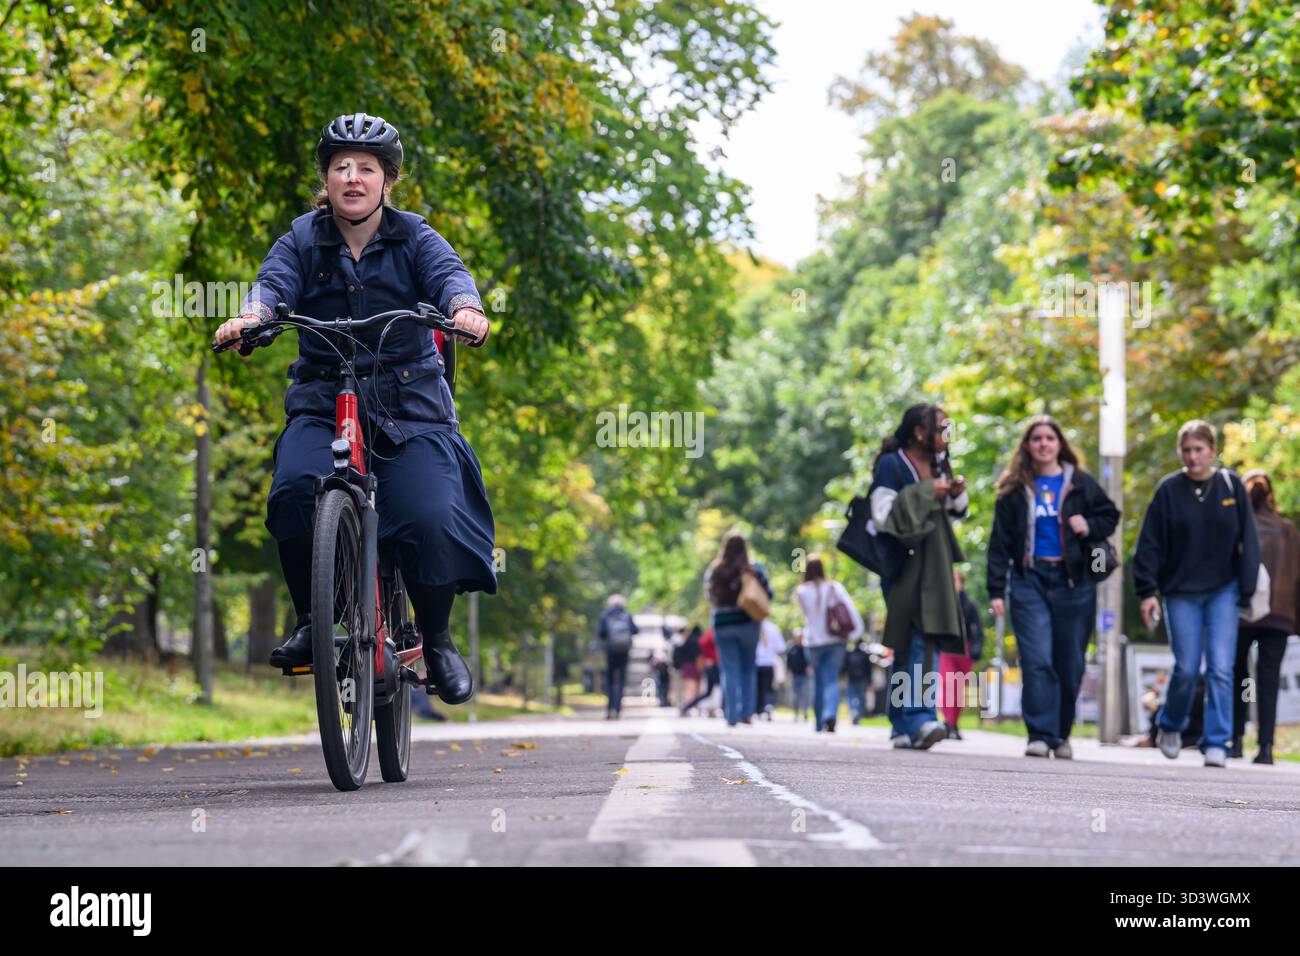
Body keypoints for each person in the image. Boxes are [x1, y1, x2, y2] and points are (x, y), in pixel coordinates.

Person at [213, 113, 494, 706]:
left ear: (387, 180)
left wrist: (465, 308)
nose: (352, 177)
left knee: (428, 512)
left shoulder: (417, 236)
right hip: (323, 398)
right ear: (327, 177)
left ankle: (438, 638)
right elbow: (272, 285)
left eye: (366, 167)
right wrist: (253, 318)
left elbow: (451, 277)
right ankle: (317, 620)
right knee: (293, 491)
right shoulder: (301, 238)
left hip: (409, 406)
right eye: (341, 166)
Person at [986, 416, 1120, 758]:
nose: (1043, 444)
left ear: (1059, 444)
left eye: (1049, 438)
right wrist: (996, 590)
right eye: (1036, 439)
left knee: (1070, 662)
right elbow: (999, 543)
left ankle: (1061, 735)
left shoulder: (1080, 484)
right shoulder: (1014, 490)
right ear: (1027, 446)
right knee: (1036, 659)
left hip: (1073, 583)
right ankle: (1040, 735)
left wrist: (1086, 524)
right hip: (1030, 581)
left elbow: (1110, 516)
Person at [1133, 420, 1260, 768]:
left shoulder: (1230, 485)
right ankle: (1170, 724)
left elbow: (1249, 540)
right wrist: (1147, 591)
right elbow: (1149, 545)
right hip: (1180, 590)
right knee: (1187, 668)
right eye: (1186, 450)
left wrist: (1246, 590)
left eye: (1198, 450)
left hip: (1224, 589)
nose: (1192, 457)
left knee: (1221, 667)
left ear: (1212, 451)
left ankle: (1217, 741)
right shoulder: (1169, 490)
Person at [869, 403, 967, 750]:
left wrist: (953, 492)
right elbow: (882, 515)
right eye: (940, 427)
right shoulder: (892, 465)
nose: (946, 434)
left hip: (934, 568)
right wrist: (929, 492)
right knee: (912, 640)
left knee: (921, 640)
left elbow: (958, 512)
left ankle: (903, 723)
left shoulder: (939, 464)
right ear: (919, 431)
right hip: (902, 567)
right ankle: (919, 718)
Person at [1232, 471, 1299, 765]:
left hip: (1242, 613)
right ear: (1271, 496)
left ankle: (1234, 741)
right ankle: (1266, 746)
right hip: (1279, 615)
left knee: (1239, 678)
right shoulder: (1288, 530)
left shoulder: (1237, 527)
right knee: (1268, 681)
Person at [704, 533, 773, 726]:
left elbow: (708, 596)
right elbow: (769, 593)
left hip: (723, 624)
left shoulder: (715, 569)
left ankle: (731, 714)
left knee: (729, 669)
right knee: (748, 667)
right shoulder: (754, 569)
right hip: (747, 623)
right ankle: (746, 713)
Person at [795, 555, 865, 732]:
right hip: (835, 641)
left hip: (813, 642)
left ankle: (819, 722)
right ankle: (830, 715)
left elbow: (806, 616)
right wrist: (856, 633)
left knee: (818, 681)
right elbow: (850, 610)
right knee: (831, 680)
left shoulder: (802, 591)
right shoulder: (835, 588)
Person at [940, 570, 985, 740]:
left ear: (961, 583)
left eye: (955, 580)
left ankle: (953, 724)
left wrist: (976, 648)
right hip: (946, 649)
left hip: (965, 651)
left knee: (959, 688)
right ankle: (948, 721)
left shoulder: (969, 605)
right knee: (948, 684)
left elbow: (977, 630)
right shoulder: (942, 604)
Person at [596, 594, 638, 719]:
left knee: (609, 680)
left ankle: (609, 708)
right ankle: (618, 708)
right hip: (624, 652)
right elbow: (635, 631)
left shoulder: (605, 615)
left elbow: (601, 634)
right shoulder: (627, 615)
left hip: (610, 651)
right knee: (621, 680)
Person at [680, 627, 721, 716]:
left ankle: (688, 706)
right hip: (711, 665)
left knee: (706, 692)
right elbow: (700, 654)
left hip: (698, 666)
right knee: (701, 690)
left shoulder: (691, 640)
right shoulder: (711, 634)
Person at [755, 618, 786, 720]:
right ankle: (767, 706)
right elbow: (780, 647)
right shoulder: (774, 628)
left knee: (758, 687)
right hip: (769, 662)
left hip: (756, 662)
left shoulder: (753, 627)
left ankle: (759, 709)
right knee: (768, 687)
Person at [842, 639, 871, 724]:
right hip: (862, 679)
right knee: (860, 697)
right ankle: (857, 713)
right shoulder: (865, 655)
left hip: (852, 679)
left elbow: (844, 667)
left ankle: (854, 712)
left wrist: (842, 675)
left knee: (851, 697)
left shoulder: (850, 654)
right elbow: (868, 670)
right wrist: (869, 681)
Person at [673, 625, 703, 709]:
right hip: (693, 665)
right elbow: (698, 655)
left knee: (688, 687)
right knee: (693, 687)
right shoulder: (696, 641)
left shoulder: (685, 641)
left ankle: (688, 704)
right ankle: (691, 705)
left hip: (685, 666)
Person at [787, 630, 812, 720]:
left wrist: (810, 668)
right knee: (795, 696)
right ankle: (796, 713)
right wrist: (788, 671)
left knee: (805, 695)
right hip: (794, 675)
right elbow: (788, 662)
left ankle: (805, 713)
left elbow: (810, 661)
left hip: (804, 675)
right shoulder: (792, 649)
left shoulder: (806, 649)